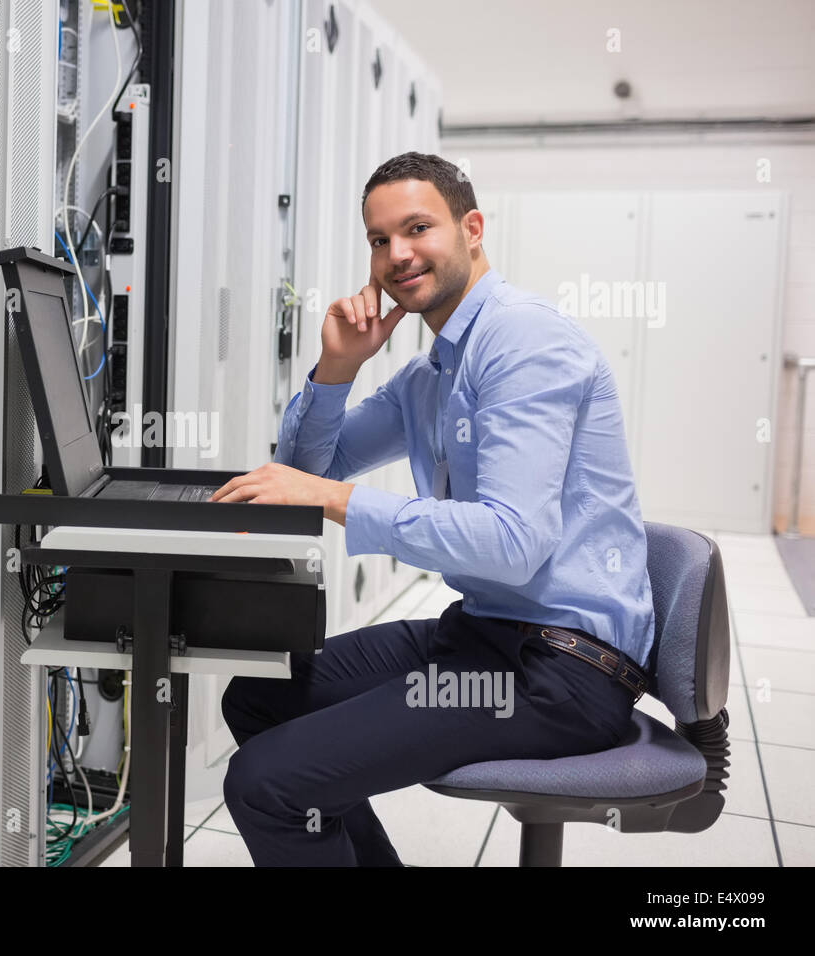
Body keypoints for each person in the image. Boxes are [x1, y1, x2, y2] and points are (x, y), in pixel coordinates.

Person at [208, 151, 655, 866]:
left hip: (561, 671)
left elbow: (512, 544)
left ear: (472, 227)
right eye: (380, 239)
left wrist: (335, 501)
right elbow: (305, 469)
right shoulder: (431, 373)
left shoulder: (522, 340)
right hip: (485, 634)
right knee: (259, 698)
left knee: (266, 784)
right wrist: (336, 373)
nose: (397, 254)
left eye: (417, 228)